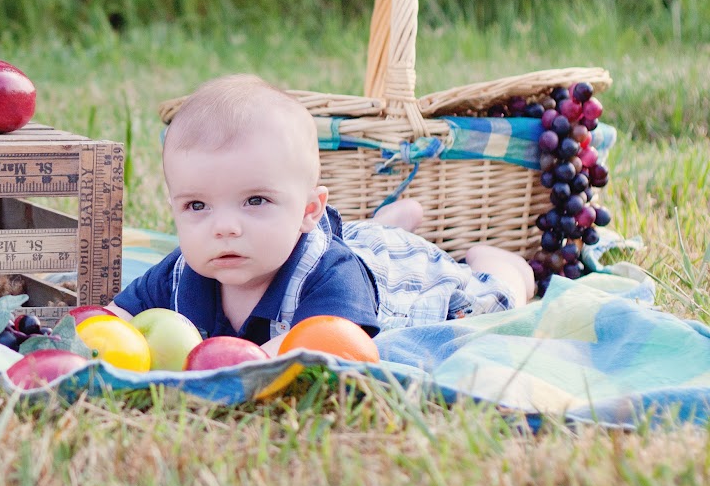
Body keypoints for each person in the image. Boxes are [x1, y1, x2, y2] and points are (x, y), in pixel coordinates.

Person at [113, 74, 534, 353]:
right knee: (358, 236)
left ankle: (507, 266)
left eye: (255, 201)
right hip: (344, 241)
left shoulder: (331, 274)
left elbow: (323, 343)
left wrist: (252, 359)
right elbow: (117, 317)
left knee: (492, 302)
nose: (223, 227)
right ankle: (382, 222)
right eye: (197, 206)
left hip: (398, 280)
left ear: (309, 209)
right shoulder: (182, 271)